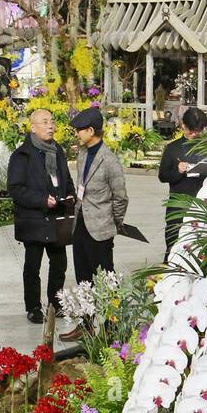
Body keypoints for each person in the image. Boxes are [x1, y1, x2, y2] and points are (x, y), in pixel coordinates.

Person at [59, 107, 129, 343]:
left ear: (91, 130)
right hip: (81, 224)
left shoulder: (109, 160)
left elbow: (121, 197)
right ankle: (86, 324)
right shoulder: (81, 153)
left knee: (107, 280)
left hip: (101, 228)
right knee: (83, 278)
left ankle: (111, 325)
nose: (77, 134)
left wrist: (114, 222)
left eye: (80, 130)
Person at [7, 108, 76, 324]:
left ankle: (55, 304)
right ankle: (33, 306)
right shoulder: (22, 155)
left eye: (52, 121)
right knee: (33, 265)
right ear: (33, 127)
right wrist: (41, 200)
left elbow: (66, 179)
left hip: (56, 218)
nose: (50, 126)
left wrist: (70, 196)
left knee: (59, 264)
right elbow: (15, 189)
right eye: (44, 122)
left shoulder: (58, 151)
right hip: (34, 219)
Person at [158, 106, 207, 254]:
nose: (195, 134)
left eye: (199, 131)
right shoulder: (172, 148)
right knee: (174, 248)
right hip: (178, 207)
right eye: (192, 131)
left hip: (203, 205)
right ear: (183, 126)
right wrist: (177, 170)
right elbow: (163, 176)